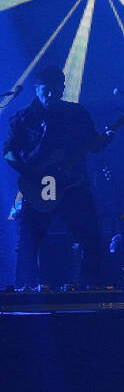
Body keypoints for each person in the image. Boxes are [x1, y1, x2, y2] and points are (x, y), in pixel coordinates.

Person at [3, 66, 110, 286]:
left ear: (62, 88)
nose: (51, 94)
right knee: (30, 240)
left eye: (55, 88)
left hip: (72, 185)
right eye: (46, 89)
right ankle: (26, 288)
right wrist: (29, 172)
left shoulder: (77, 114)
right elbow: (9, 151)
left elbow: (93, 144)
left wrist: (105, 139)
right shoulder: (23, 117)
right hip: (38, 187)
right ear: (37, 88)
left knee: (90, 237)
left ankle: (93, 287)